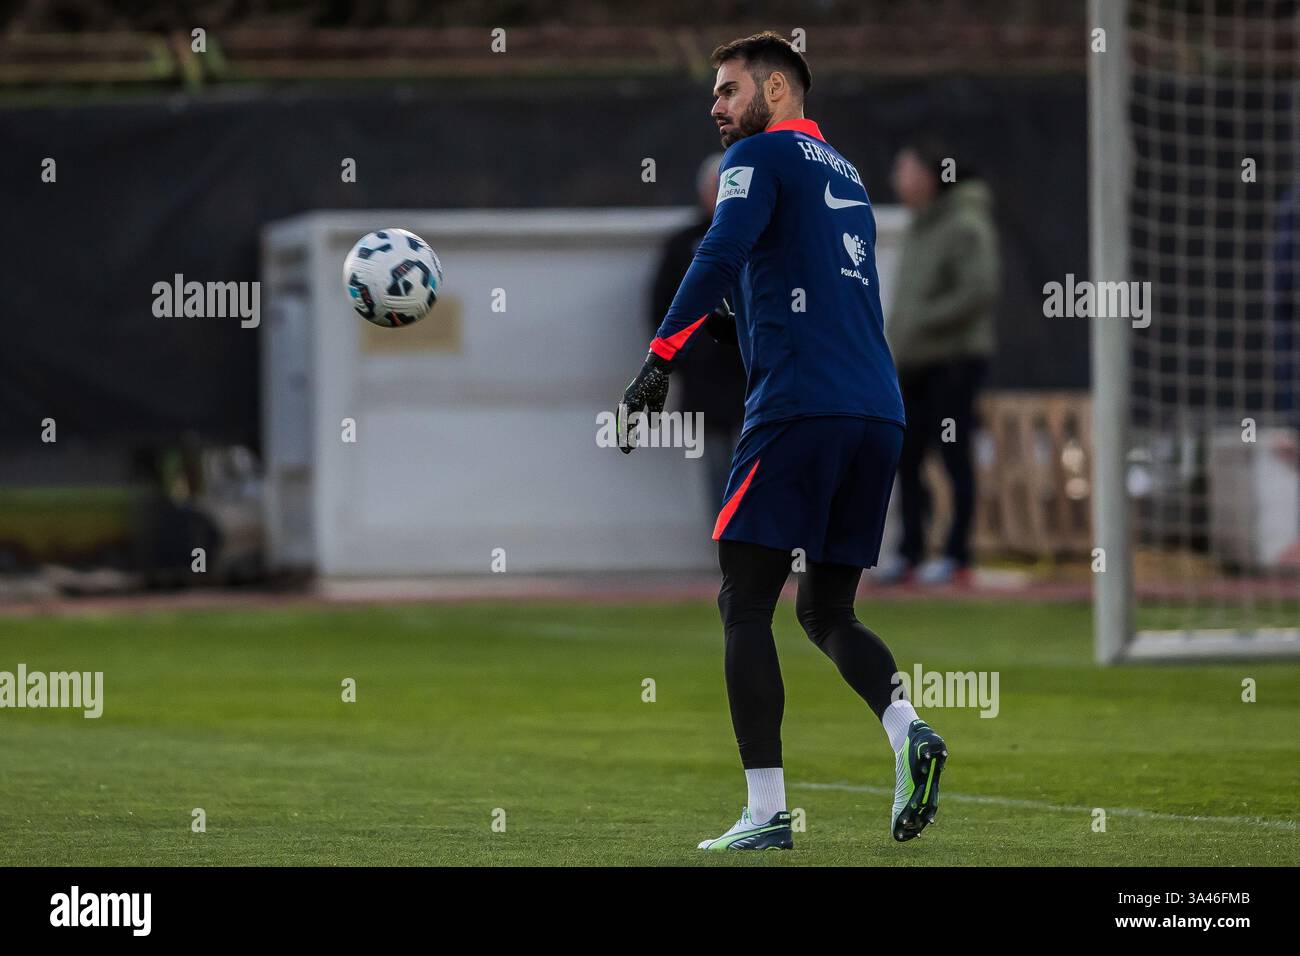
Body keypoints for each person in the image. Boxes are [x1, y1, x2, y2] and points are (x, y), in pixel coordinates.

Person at [615, 31, 947, 849]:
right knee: (826, 607)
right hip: (877, 412)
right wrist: (737, 333)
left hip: (798, 407)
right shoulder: (848, 174)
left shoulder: (756, 162)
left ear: (776, 91)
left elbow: (720, 251)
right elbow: (803, 294)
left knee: (744, 599)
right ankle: (909, 732)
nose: (717, 109)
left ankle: (766, 812)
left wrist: (660, 359)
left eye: (729, 91)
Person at [881, 136, 999, 586]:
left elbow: (979, 290)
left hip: (953, 360)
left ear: (930, 176)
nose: (897, 179)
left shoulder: (966, 223)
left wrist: (921, 322)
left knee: (953, 455)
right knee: (905, 457)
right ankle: (910, 551)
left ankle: (957, 554)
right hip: (913, 362)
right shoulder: (920, 224)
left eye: (905, 168)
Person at [649, 153, 747, 507]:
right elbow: (662, 308)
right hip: (705, 376)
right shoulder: (683, 245)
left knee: (757, 458)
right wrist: (676, 359)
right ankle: (726, 541)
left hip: (752, 370)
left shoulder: (757, 236)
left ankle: (759, 542)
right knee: (717, 462)